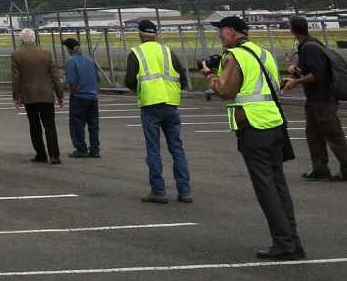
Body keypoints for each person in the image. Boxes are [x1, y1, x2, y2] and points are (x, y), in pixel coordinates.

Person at [205, 15, 303, 261]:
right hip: (274, 123)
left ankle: (283, 243)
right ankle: (292, 240)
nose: (219, 35)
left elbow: (227, 91)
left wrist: (210, 75)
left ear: (230, 32)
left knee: (265, 187)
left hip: (253, 125)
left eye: (221, 31)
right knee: (279, 185)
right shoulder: (264, 53)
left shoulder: (234, 56)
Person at [284, 15, 347, 183]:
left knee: (333, 134)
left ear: (292, 30)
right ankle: (320, 169)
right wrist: (296, 70)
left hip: (323, 99)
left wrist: (295, 81)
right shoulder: (311, 44)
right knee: (313, 134)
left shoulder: (310, 48)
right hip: (314, 99)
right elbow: (310, 70)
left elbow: (316, 75)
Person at [126, 18, 193, 203]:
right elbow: (182, 76)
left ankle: (158, 191)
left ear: (140, 35)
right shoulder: (167, 51)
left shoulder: (136, 53)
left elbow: (130, 80)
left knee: (153, 149)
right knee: (176, 148)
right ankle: (185, 191)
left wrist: (140, 90)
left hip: (150, 104)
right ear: (155, 35)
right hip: (171, 103)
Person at [9, 28, 64, 163]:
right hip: (46, 94)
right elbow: (55, 76)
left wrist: (16, 97)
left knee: (35, 126)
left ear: (21, 39)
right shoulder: (46, 53)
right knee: (50, 125)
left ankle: (41, 154)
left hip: (29, 95)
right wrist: (60, 95)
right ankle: (54, 155)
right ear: (35, 39)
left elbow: (16, 78)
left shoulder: (17, 55)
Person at [61, 38, 100, 158]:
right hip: (93, 96)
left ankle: (81, 148)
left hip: (79, 97)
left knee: (77, 124)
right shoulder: (90, 60)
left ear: (69, 49)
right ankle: (95, 149)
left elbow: (71, 82)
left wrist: (72, 92)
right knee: (93, 124)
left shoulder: (72, 62)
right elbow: (98, 78)